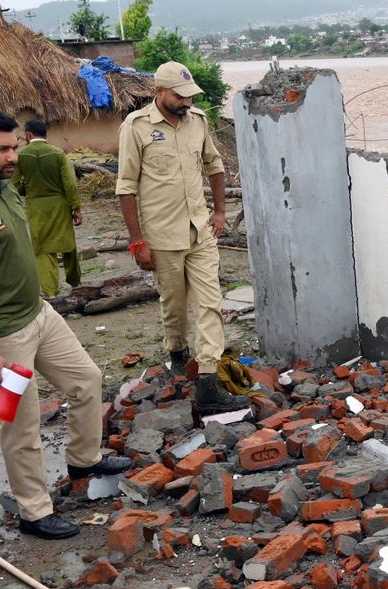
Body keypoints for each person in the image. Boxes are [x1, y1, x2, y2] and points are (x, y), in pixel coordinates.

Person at [0, 106, 131, 540]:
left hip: (39, 314)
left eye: (15, 147)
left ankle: (84, 458)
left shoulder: (3, 186)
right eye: (2, 148)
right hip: (4, 335)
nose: (12, 156)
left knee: (86, 380)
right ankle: (34, 512)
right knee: (21, 427)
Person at [115, 61, 248, 415]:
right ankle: (176, 351)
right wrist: (137, 241)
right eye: (179, 95)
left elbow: (215, 165)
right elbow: (126, 187)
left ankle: (207, 380)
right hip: (161, 235)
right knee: (173, 304)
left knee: (210, 303)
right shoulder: (137, 127)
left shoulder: (198, 122)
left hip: (200, 230)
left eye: (190, 96)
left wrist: (219, 213)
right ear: (158, 92)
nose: (186, 101)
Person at [10, 119, 82, 298]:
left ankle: (50, 292)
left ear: (28, 135)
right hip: (60, 205)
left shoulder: (22, 156)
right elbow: (70, 184)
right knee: (68, 245)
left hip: (36, 208)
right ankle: (75, 283)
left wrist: (26, 190)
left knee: (42, 249)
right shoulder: (58, 154)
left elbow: (14, 185)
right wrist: (76, 207)